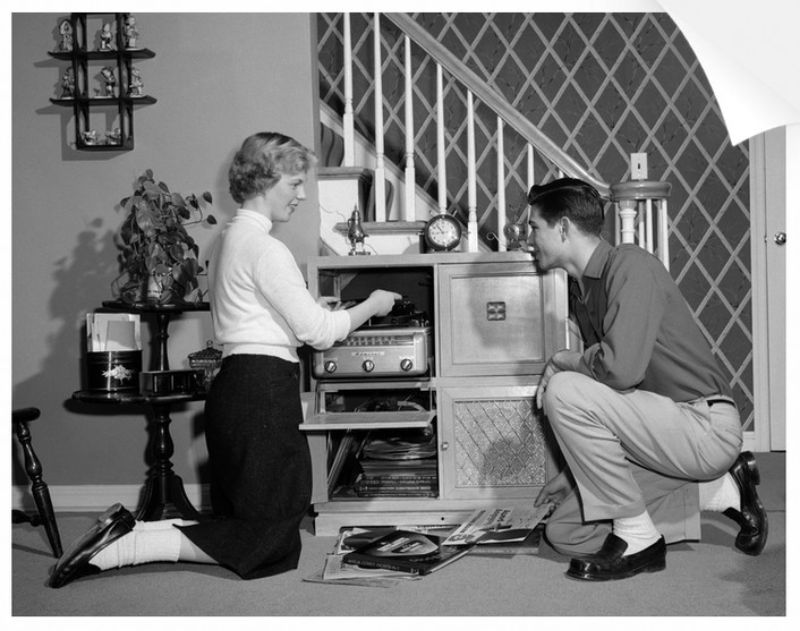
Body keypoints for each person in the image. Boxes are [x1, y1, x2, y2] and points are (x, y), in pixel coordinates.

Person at [49, 131, 402, 588]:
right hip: (261, 391)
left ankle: (126, 534)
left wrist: (319, 311)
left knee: (269, 521)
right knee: (268, 538)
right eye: (294, 183)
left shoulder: (229, 240)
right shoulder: (266, 248)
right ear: (265, 180)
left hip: (240, 385)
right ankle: (128, 544)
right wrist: (371, 305)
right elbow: (318, 334)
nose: (301, 194)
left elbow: (257, 313)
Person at [528, 178, 767, 581]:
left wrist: (564, 360)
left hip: (703, 426)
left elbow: (621, 370)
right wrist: (573, 477)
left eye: (535, 227)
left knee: (564, 388)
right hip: (658, 436)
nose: (530, 239)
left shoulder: (630, 264)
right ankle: (721, 492)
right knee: (563, 531)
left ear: (564, 227)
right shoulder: (584, 292)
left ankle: (638, 538)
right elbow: (609, 400)